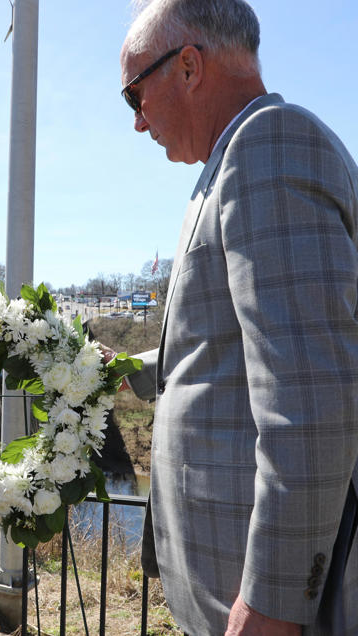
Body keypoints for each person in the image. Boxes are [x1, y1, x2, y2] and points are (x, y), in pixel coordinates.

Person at [115, 1, 358, 634]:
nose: (137, 123)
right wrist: (127, 370)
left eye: (134, 95)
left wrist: (273, 602)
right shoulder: (235, 160)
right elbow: (229, 346)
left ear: (188, 66)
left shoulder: (269, 144)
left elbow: (311, 396)